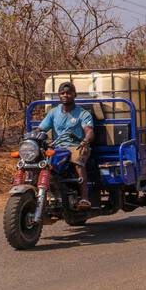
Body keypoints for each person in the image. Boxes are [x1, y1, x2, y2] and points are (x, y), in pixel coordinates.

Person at [39, 81, 94, 209]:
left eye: (68, 93)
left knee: (77, 161)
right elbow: (41, 129)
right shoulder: (53, 113)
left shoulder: (83, 113)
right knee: (39, 162)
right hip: (57, 147)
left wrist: (85, 141)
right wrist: (31, 135)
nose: (65, 95)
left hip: (76, 146)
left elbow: (89, 131)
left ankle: (85, 198)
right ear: (59, 95)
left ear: (74, 94)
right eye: (62, 93)